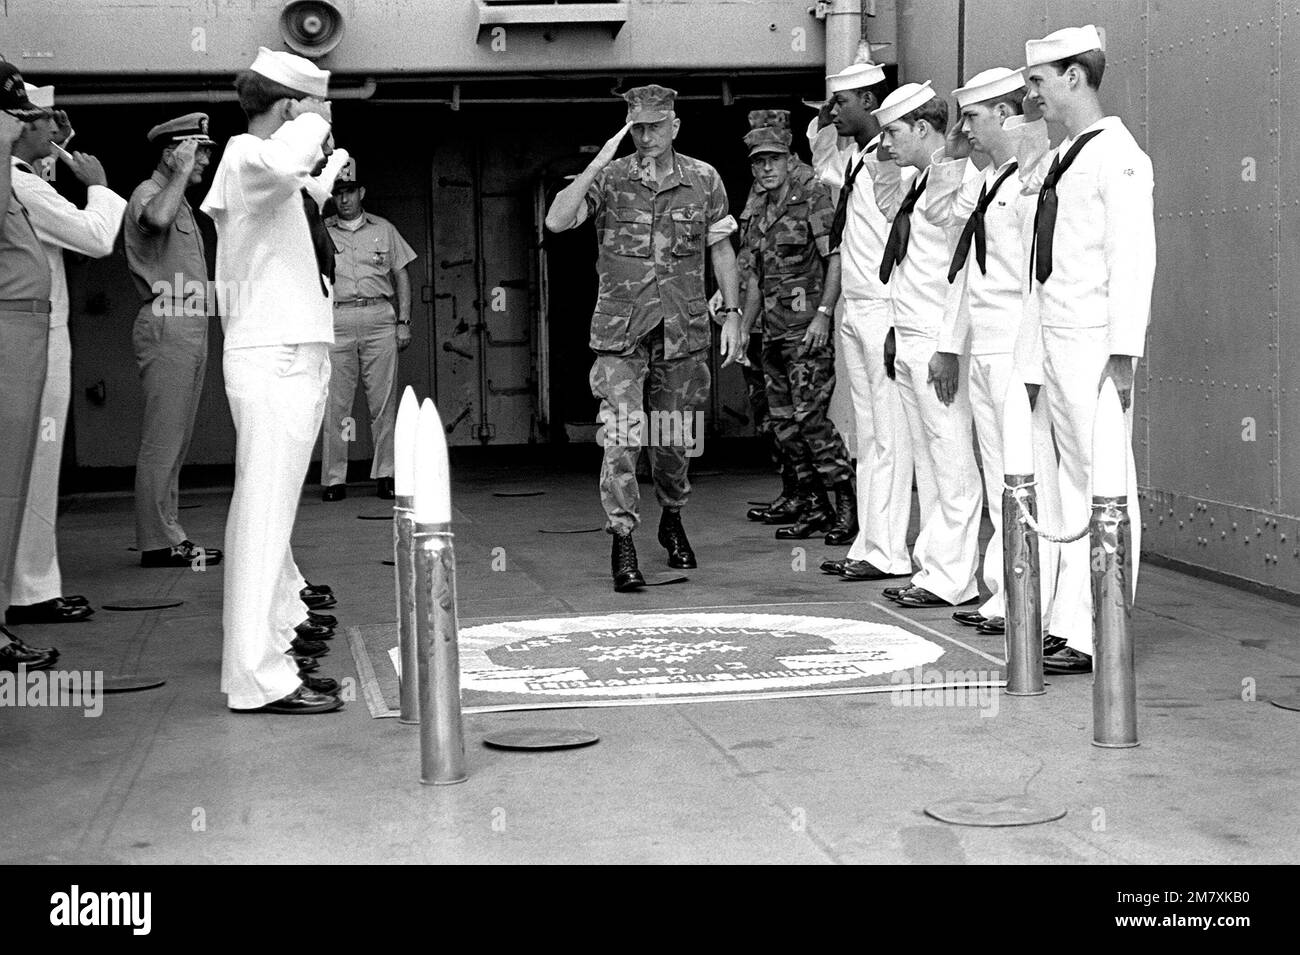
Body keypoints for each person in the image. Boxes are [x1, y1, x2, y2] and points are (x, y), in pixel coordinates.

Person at [544, 84, 743, 592]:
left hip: (682, 332)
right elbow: (557, 219)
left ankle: (672, 515)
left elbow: (721, 250)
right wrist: (600, 159)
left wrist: (735, 313)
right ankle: (622, 540)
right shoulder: (610, 179)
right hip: (621, 336)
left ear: (674, 126)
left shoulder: (704, 179)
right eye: (637, 127)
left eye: (656, 127)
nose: (647, 136)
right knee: (622, 437)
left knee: (673, 444)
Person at [200, 47, 350, 714]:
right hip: (275, 357)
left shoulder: (265, 176)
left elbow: (297, 195)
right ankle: (257, 677)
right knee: (262, 521)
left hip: (289, 354)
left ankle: (276, 645)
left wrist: (330, 170)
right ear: (291, 107)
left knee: (269, 517)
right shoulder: (244, 156)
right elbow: (284, 162)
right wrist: (314, 127)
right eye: (313, 104)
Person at [1018, 25, 1155, 674]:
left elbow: (1132, 259)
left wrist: (1124, 353)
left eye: (1038, 81)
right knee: (1074, 492)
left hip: (1098, 348)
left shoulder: (1117, 156)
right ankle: (1074, 620)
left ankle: (1105, 629)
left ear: (1074, 76)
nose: (1031, 94)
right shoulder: (1066, 156)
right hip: (1059, 344)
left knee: (1108, 488)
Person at [923, 66, 1062, 636]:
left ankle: (1036, 597)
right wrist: (952, 154)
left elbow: (1037, 276)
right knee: (1000, 472)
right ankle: (1007, 590)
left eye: (974, 117)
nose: (967, 129)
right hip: (985, 345)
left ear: (1004, 115)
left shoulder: (1030, 178)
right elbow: (940, 219)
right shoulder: (991, 181)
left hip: (1015, 347)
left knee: (1028, 474)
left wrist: (1029, 360)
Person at [6, 83, 126, 626]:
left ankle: (33, 584)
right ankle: (27, 591)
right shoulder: (19, 184)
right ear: (20, 124)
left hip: (44, 325)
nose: (55, 128)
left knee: (38, 462)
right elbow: (95, 236)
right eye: (43, 118)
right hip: (32, 331)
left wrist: (60, 144)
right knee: (32, 464)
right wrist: (97, 187)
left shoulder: (26, 178)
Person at [870, 81, 984, 609]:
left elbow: (963, 274)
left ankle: (955, 576)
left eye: (892, 132)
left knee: (953, 462)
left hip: (939, 343)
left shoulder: (962, 183)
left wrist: (948, 346)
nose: (886, 145)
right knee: (930, 462)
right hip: (912, 336)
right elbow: (911, 267)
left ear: (921, 128)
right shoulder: (921, 182)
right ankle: (936, 569)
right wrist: (897, 329)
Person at [807, 62, 915, 582]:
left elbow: (904, 242)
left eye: (842, 103)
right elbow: (822, 160)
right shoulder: (858, 159)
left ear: (870, 102)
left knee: (890, 435)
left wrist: (900, 316)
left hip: (884, 306)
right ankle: (869, 544)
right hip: (856, 305)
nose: (834, 112)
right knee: (868, 436)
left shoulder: (891, 162)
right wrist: (825, 118)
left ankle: (890, 550)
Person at [737, 122, 856, 543]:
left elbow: (835, 258)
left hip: (806, 333)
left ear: (790, 161)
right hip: (771, 336)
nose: (766, 168)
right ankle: (814, 507)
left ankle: (845, 506)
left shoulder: (812, 198)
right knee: (784, 425)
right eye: (758, 162)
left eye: (773, 160)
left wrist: (824, 313)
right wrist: (743, 330)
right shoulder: (760, 210)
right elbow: (754, 279)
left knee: (811, 421)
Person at [125, 112, 224, 570]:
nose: (206, 157)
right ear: (172, 152)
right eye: (197, 149)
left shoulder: (179, 199)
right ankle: (156, 543)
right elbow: (155, 220)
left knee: (176, 439)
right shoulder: (152, 194)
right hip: (167, 323)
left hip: (187, 322)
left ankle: (169, 536)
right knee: (162, 440)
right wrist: (181, 172)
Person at [0, 61, 59, 671]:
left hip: (22, 327)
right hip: (9, 329)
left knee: (11, 483)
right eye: (19, 116)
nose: (26, 126)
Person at [320, 160, 416, 502]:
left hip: (378, 317)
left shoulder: (384, 229)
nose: (344, 199)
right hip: (337, 318)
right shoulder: (322, 230)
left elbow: (401, 276)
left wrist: (403, 321)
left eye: (349, 192)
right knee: (336, 404)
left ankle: (386, 474)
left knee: (383, 402)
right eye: (338, 193)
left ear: (361, 193)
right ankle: (334, 479)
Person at [738, 109, 813, 527]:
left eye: (772, 138)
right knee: (770, 415)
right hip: (763, 316)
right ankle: (792, 490)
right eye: (755, 142)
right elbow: (751, 249)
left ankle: (810, 497)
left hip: (793, 318)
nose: (763, 152)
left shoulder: (802, 185)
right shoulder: (761, 187)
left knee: (801, 417)